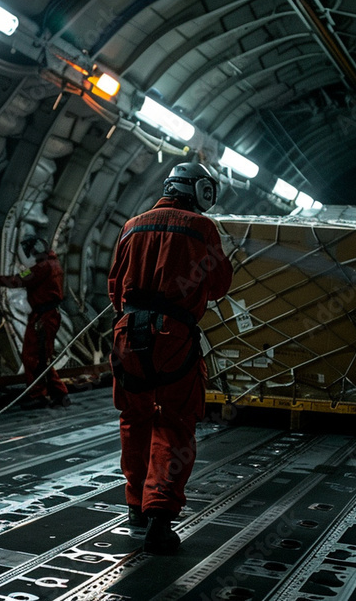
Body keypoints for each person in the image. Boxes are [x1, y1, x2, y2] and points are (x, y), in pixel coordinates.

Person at [108, 161, 233, 555]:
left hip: (128, 334)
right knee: (174, 425)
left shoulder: (132, 225)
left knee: (134, 418)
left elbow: (115, 287)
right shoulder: (201, 228)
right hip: (173, 335)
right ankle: (160, 520)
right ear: (200, 192)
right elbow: (219, 286)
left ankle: (135, 509)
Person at [0, 236, 69, 408]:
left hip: (43, 317)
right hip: (47, 315)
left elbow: (14, 280)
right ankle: (59, 393)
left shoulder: (41, 268)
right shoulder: (52, 263)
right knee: (42, 357)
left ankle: (39, 395)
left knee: (33, 357)